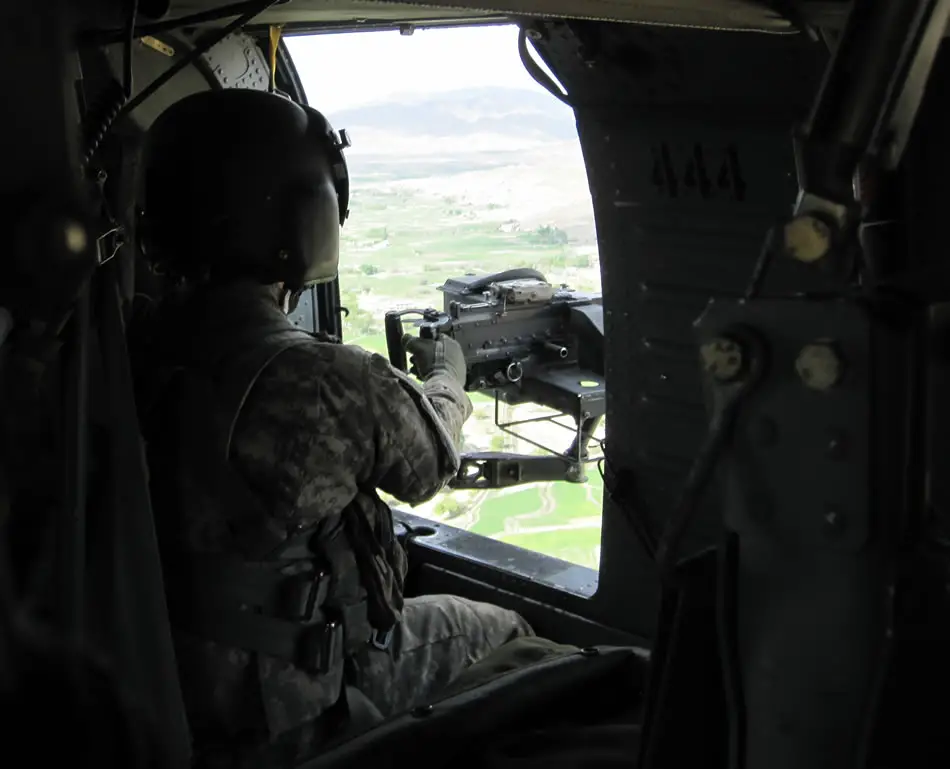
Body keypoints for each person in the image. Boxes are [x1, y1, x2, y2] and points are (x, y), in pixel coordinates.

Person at [130, 88, 533, 762]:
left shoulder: (127, 346)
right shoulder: (325, 380)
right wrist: (447, 379)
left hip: (160, 687)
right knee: (513, 633)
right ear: (307, 219)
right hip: (288, 707)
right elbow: (431, 466)